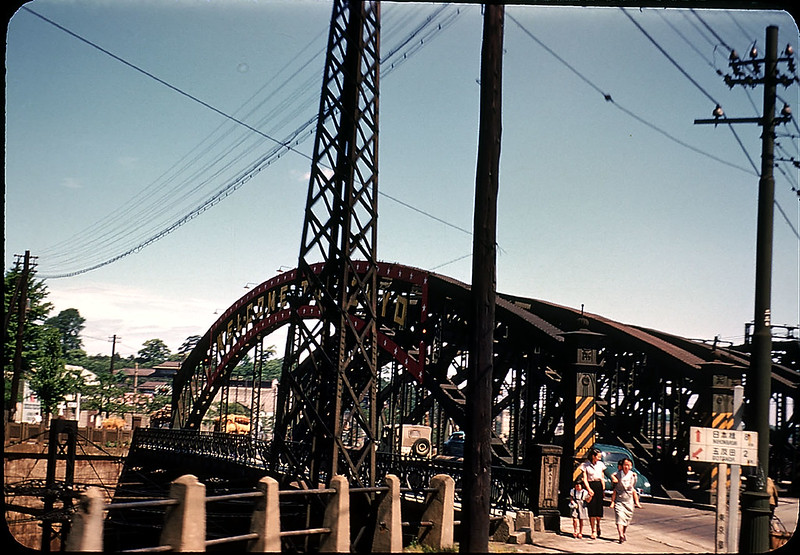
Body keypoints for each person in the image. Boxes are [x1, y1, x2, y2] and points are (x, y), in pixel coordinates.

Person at [610, 456, 643, 543]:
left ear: (631, 466)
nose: (626, 467)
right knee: (619, 517)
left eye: (628, 465)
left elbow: (633, 487)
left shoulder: (633, 475)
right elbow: (612, 476)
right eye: (625, 465)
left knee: (627, 518)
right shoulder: (618, 474)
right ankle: (620, 534)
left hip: (629, 500)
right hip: (619, 499)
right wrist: (614, 479)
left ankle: (623, 533)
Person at [580, 448, 606, 539]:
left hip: (599, 486)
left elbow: (602, 477)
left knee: (599, 509)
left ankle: (598, 524)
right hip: (591, 486)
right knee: (592, 509)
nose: (599, 458)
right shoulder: (585, 465)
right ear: (593, 456)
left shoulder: (601, 465)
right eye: (598, 457)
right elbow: (585, 479)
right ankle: (593, 530)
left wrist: (603, 489)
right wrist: (588, 489)